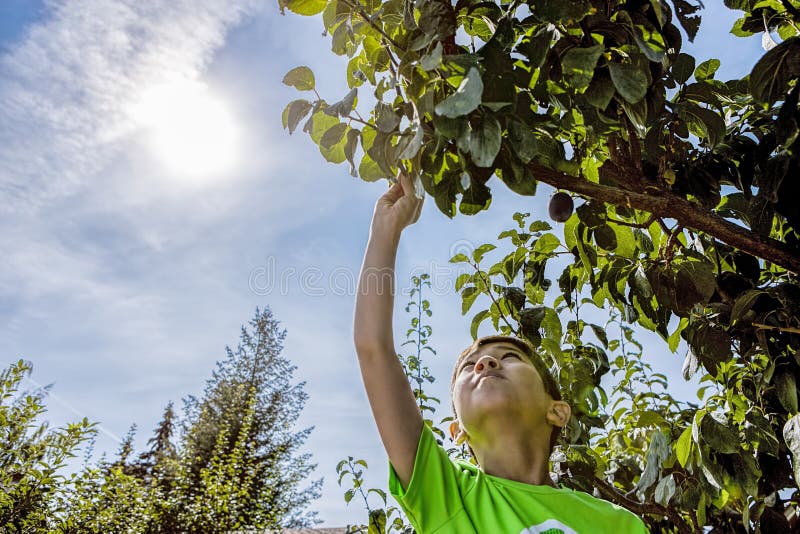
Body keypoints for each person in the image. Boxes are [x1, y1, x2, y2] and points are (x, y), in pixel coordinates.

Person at [353, 171, 649, 533]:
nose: (486, 362)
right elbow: (374, 349)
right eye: (468, 367)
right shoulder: (446, 492)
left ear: (557, 410)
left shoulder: (617, 523)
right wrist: (386, 228)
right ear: (457, 430)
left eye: (510, 357)